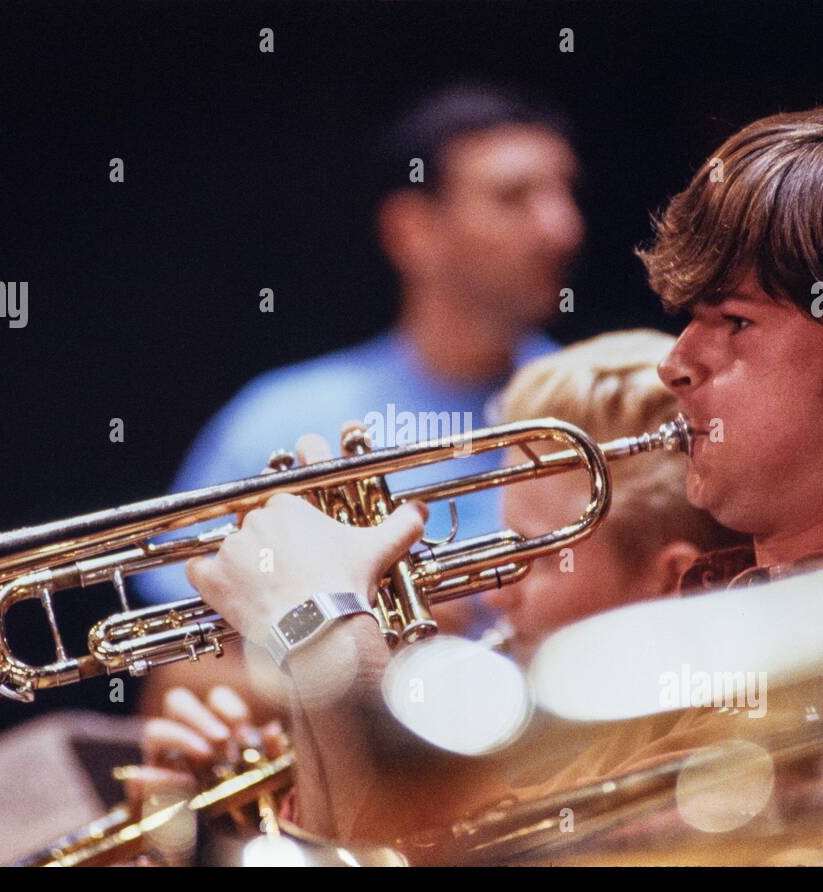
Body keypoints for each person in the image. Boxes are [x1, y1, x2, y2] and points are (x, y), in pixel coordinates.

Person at [177, 104, 823, 843]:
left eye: (735, 324)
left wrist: (319, 623)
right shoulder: (703, 619)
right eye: (688, 321)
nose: (676, 363)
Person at [129, 330, 738, 808]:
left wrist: (321, 622)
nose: (494, 598)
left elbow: (392, 834)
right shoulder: (508, 748)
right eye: (506, 547)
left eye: (540, 555)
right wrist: (224, 826)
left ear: (671, 582)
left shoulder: (675, 782)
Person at [132, 81, 585, 717]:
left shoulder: (601, 404)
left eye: (565, 192)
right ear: (411, 232)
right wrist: (349, 655)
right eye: (514, 198)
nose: (562, 227)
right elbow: (170, 679)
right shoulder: (275, 421)